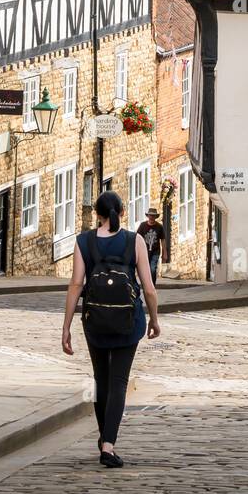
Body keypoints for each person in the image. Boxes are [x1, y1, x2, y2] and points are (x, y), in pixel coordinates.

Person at [62, 190, 160, 468]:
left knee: (101, 380)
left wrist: (66, 326)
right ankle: (108, 444)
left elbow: (76, 284)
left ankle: (105, 436)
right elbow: (149, 289)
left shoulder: (84, 241)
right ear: (122, 212)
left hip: (95, 320)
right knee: (118, 382)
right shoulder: (134, 240)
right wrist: (154, 319)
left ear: (97, 214)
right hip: (129, 320)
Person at [137, 207, 166, 283]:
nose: (152, 217)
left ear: (156, 217)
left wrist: (164, 253)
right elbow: (137, 238)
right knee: (145, 269)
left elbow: (163, 240)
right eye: (150, 215)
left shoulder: (159, 227)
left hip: (155, 251)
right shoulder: (142, 226)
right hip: (144, 251)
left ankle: (152, 285)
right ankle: (146, 283)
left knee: (152, 268)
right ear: (148, 216)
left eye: (153, 216)